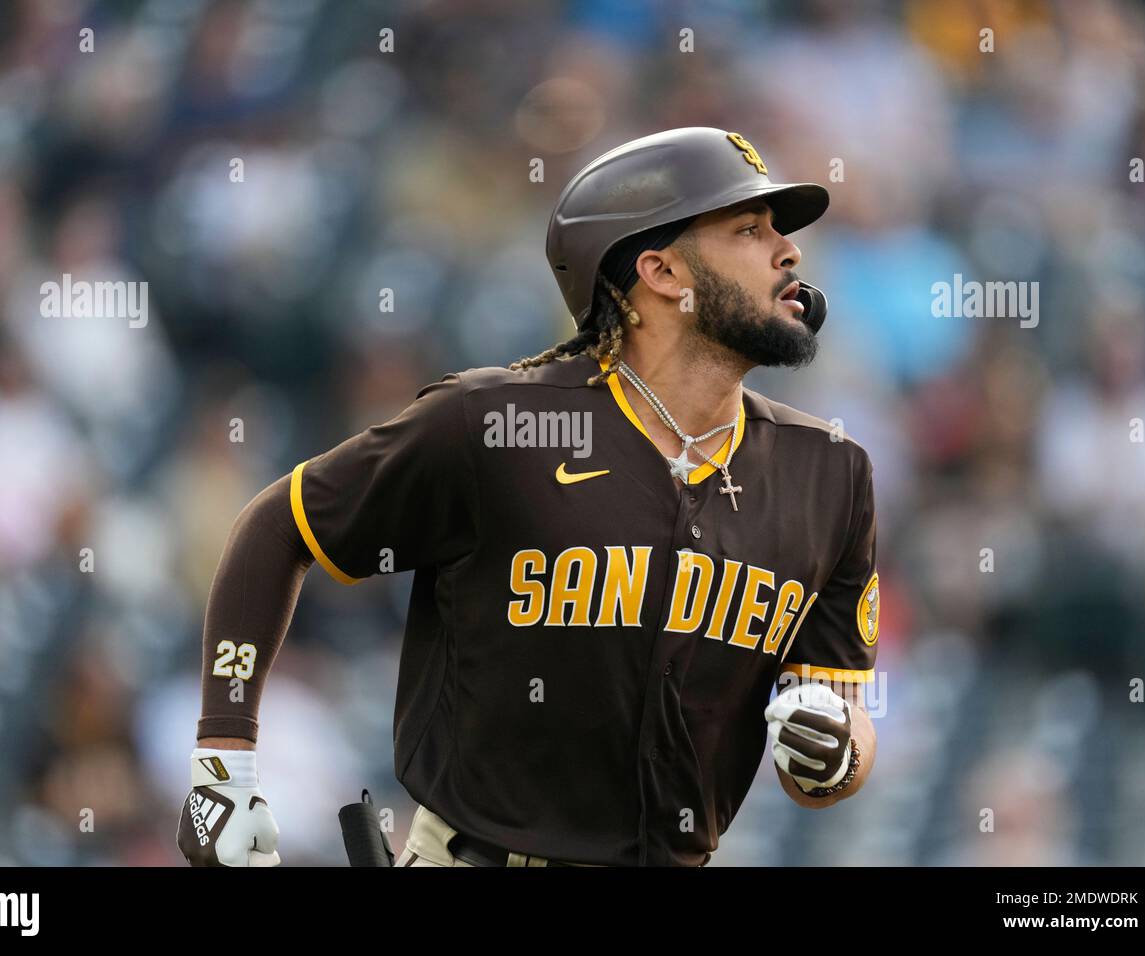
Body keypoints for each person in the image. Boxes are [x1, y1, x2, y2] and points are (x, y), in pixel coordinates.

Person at [177, 127, 879, 868]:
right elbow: (278, 527)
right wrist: (224, 765)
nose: (789, 251)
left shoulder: (830, 474)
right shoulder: (497, 426)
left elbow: (839, 740)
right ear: (663, 271)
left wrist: (838, 756)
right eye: (749, 229)